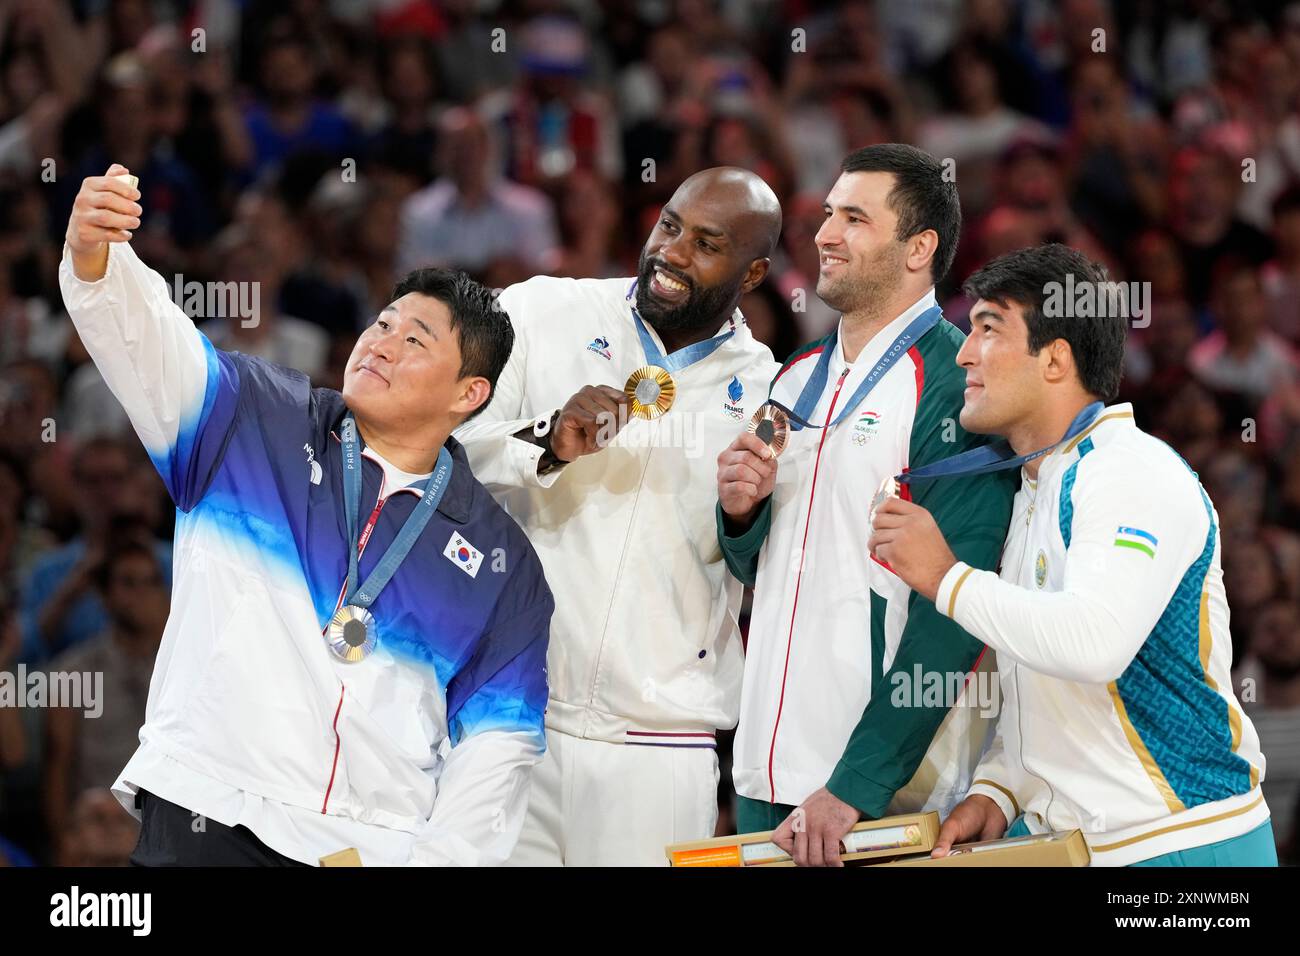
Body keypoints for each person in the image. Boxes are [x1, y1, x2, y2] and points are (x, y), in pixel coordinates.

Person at [59, 164, 553, 866]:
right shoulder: (251, 416)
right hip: (210, 806)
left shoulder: (503, 564)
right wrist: (98, 256)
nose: (382, 341)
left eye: (416, 341)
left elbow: (499, 745)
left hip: (374, 843)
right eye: (383, 323)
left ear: (469, 392)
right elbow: (150, 340)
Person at [872, 243, 1274, 866]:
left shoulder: (1129, 471)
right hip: (1089, 847)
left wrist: (944, 578)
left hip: (1186, 843)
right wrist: (1000, 790)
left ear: (1055, 360)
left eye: (988, 329)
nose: (964, 353)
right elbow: (1041, 679)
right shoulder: (1038, 483)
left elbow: (1092, 646)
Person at [454, 166, 782, 865]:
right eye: (669, 225)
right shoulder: (541, 311)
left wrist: (748, 517)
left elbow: (771, 564)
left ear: (751, 274)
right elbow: (444, 458)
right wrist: (546, 441)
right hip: (509, 717)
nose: (671, 252)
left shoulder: (770, 393)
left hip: (660, 744)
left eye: (705, 243)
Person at [716, 144, 1016, 866]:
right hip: (764, 764)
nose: (824, 234)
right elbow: (756, 568)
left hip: (882, 792)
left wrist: (860, 781)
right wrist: (740, 514)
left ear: (920, 248)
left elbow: (957, 610)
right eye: (827, 215)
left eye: (855, 218)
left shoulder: (957, 383)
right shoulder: (794, 378)